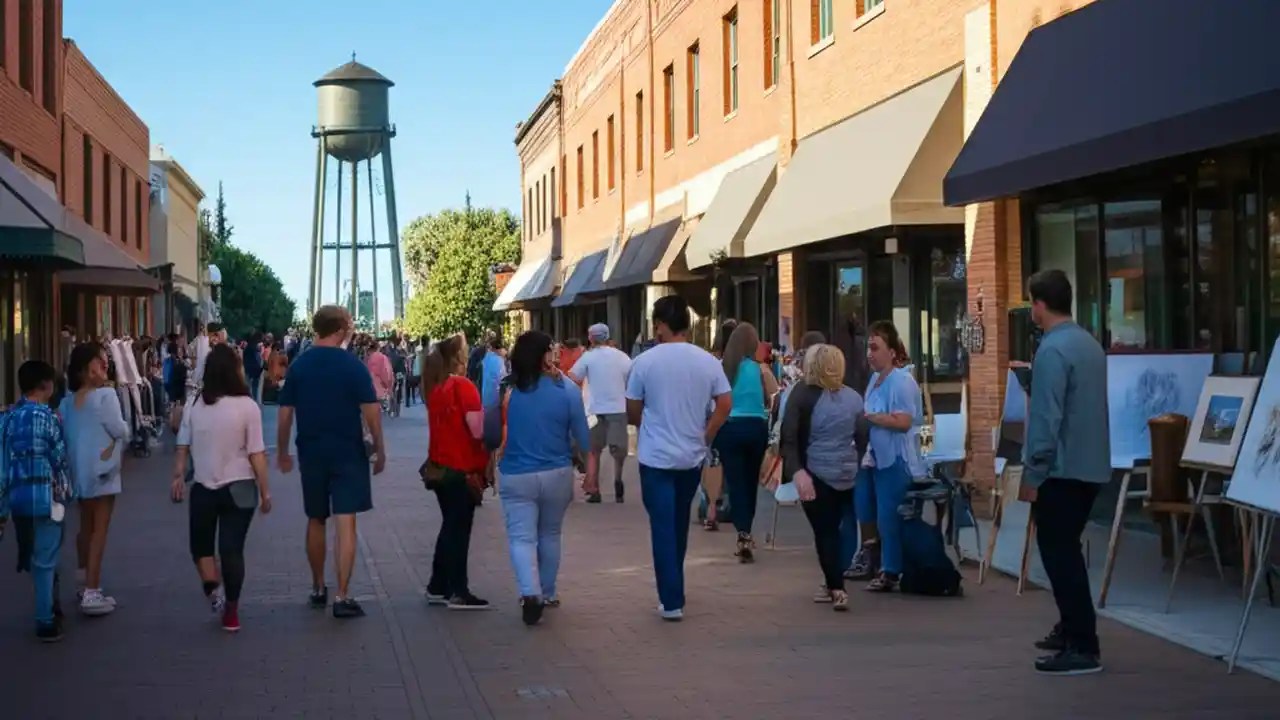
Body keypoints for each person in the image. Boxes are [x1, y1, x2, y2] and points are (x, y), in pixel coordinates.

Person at [1022, 269, 1110, 676]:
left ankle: (1082, 644)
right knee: (1065, 548)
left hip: (1061, 467)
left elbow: (1045, 417)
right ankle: (1071, 627)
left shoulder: (1052, 350)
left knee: (1059, 554)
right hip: (1091, 465)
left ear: (1040, 304)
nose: (1031, 312)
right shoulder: (1089, 344)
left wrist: (1032, 473)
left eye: (1031, 304)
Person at [626, 295, 732, 621]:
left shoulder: (645, 363)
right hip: (691, 454)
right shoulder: (707, 361)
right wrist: (707, 432)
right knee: (678, 523)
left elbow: (632, 409)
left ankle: (671, 599)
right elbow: (725, 402)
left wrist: (650, 425)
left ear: (659, 324)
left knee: (662, 525)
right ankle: (675, 590)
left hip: (656, 456)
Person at [276, 305, 385, 619]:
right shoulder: (352, 366)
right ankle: (342, 594)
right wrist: (380, 447)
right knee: (346, 520)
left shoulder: (300, 365)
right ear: (339, 329)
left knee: (316, 519)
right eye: (349, 324)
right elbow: (371, 411)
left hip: (311, 451)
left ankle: (317, 587)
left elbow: (285, 414)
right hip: (348, 452)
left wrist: (283, 449)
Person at [169, 344, 273, 632]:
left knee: (200, 546)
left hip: (203, 485)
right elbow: (257, 453)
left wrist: (178, 475)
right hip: (241, 487)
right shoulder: (247, 406)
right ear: (235, 371)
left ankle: (213, 591)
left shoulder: (195, 404)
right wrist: (265, 491)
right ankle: (231, 609)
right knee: (232, 549)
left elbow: (182, 444)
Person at [497, 331, 590, 625]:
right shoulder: (567, 390)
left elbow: (493, 429)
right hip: (557, 472)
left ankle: (530, 592)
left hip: (516, 474)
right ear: (544, 356)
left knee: (521, 537)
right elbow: (583, 436)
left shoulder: (508, 391)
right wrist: (588, 467)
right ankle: (547, 591)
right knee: (549, 534)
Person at [780, 345, 864, 612]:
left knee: (825, 531)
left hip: (815, 472)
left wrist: (796, 471)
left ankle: (836, 586)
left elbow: (789, 437)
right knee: (845, 527)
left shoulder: (802, 394)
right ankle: (834, 581)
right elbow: (861, 436)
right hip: (849, 472)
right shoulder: (854, 398)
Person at [0, 361, 74, 642]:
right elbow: (58, 458)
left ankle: (50, 599)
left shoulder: (7, 418)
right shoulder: (48, 417)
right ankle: (46, 619)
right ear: (46, 385)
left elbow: (3, 464)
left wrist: (2, 507)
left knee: (33, 554)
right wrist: (67, 491)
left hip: (18, 499)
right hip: (45, 496)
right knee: (45, 557)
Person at [60, 342, 131, 616]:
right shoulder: (106, 397)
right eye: (101, 361)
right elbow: (120, 429)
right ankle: (92, 590)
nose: (105, 366)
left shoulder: (67, 402)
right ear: (86, 369)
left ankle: (83, 583)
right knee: (100, 530)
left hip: (78, 472)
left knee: (85, 528)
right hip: (103, 470)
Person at [855, 321, 925, 594]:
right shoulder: (874, 380)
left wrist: (872, 418)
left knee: (888, 515)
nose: (870, 354)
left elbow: (904, 421)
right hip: (872, 456)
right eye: (868, 348)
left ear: (892, 352)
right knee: (865, 509)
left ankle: (891, 569)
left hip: (895, 458)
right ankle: (874, 560)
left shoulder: (902, 381)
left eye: (875, 348)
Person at [423, 334, 492, 610]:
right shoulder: (463, 386)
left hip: (439, 466)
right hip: (462, 466)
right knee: (458, 529)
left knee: (449, 526)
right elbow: (477, 430)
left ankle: (438, 586)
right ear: (459, 358)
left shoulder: (436, 387)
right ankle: (458, 590)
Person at [713, 322, 778, 563]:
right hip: (755, 427)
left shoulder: (723, 369)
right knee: (751, 482)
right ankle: (747, 530)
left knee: (735, 482)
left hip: (730, 427)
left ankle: (742, 533)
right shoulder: (760, 369)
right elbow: (775, 394)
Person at [567, 323, 633, 503]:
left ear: (591, 338)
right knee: (618, 450)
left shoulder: (588, 357)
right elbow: (632, 378)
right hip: (618, 408)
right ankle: (618, 479)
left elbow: (573, 377)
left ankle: (594, 489)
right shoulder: (622, 357)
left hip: (594, 410)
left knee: (593, 451)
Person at [367, 340, 395, 411]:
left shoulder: (366, 359)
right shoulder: (382, 358)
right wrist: (389, 387)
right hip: (382, 391)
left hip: (369, 392)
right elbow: (387, 373)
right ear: (378, 348)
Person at [244, 332, 265, 403]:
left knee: (250, 386)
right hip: (254, 369)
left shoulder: (249, 347)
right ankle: (253, 400)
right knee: (253, 387)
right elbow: (255, 359)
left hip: (250, 369)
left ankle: (251, 400)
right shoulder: (253, 348)